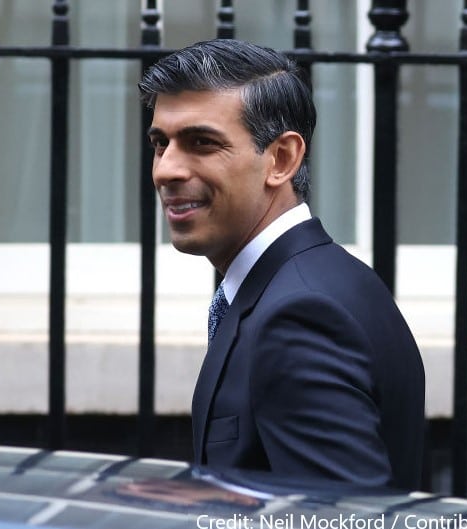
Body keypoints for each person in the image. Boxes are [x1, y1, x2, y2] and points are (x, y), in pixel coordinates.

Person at [139, 39, 425, 490]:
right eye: (161, 144)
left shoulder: (299, 316)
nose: (165, 170)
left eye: (201, 143)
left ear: (282, 159)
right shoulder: (321, 281)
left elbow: (341, 518)